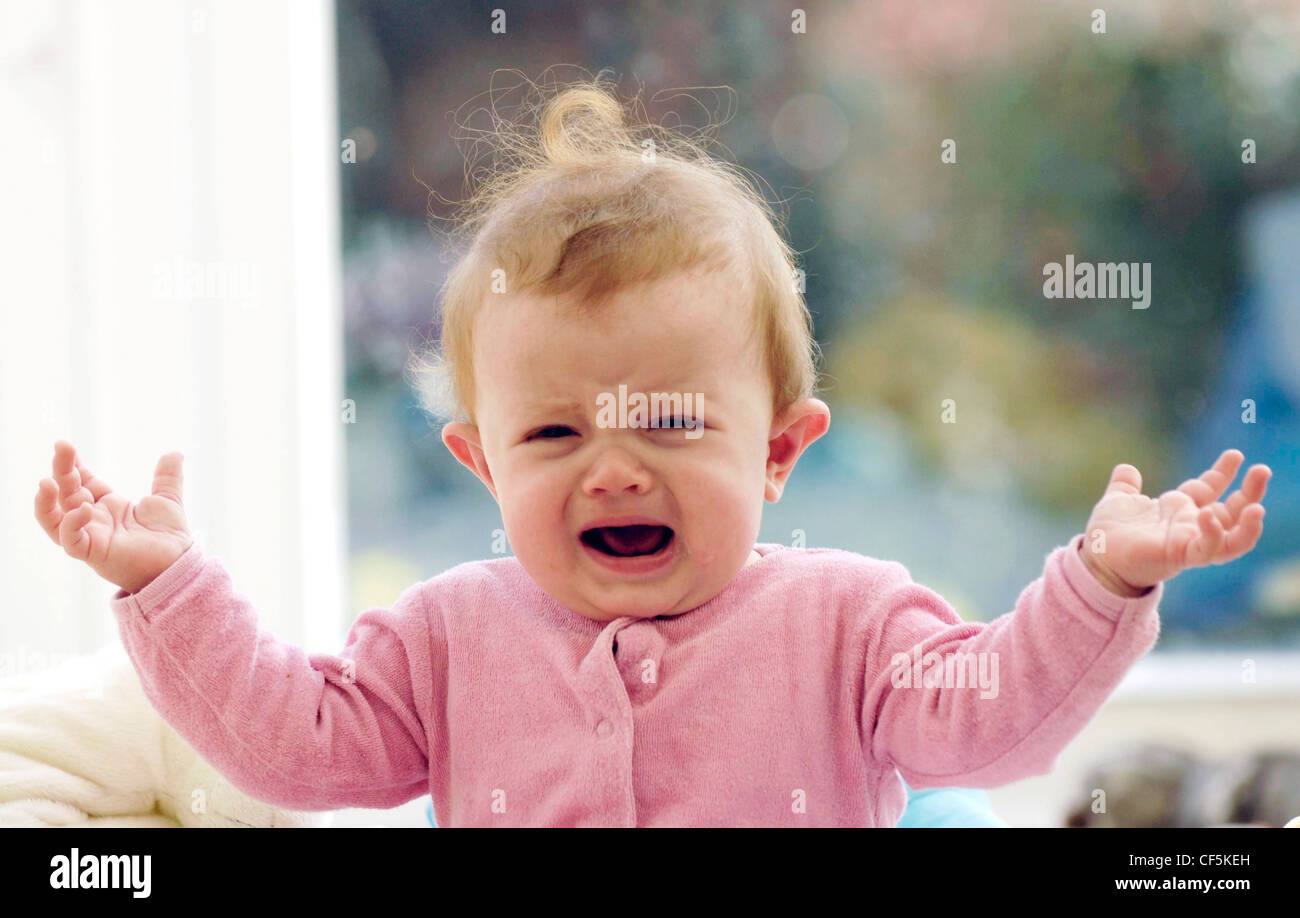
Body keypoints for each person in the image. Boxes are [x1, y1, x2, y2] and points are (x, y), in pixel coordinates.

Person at [33, 77, 1270, 827]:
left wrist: (1103, 580)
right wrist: (166, 585)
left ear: (781, 451)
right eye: (555, 432)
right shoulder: (444, 637)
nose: (612, 467)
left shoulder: (846, 620)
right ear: (480, 464)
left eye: (670, 422)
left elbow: (993, 728)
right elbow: (291, 750)